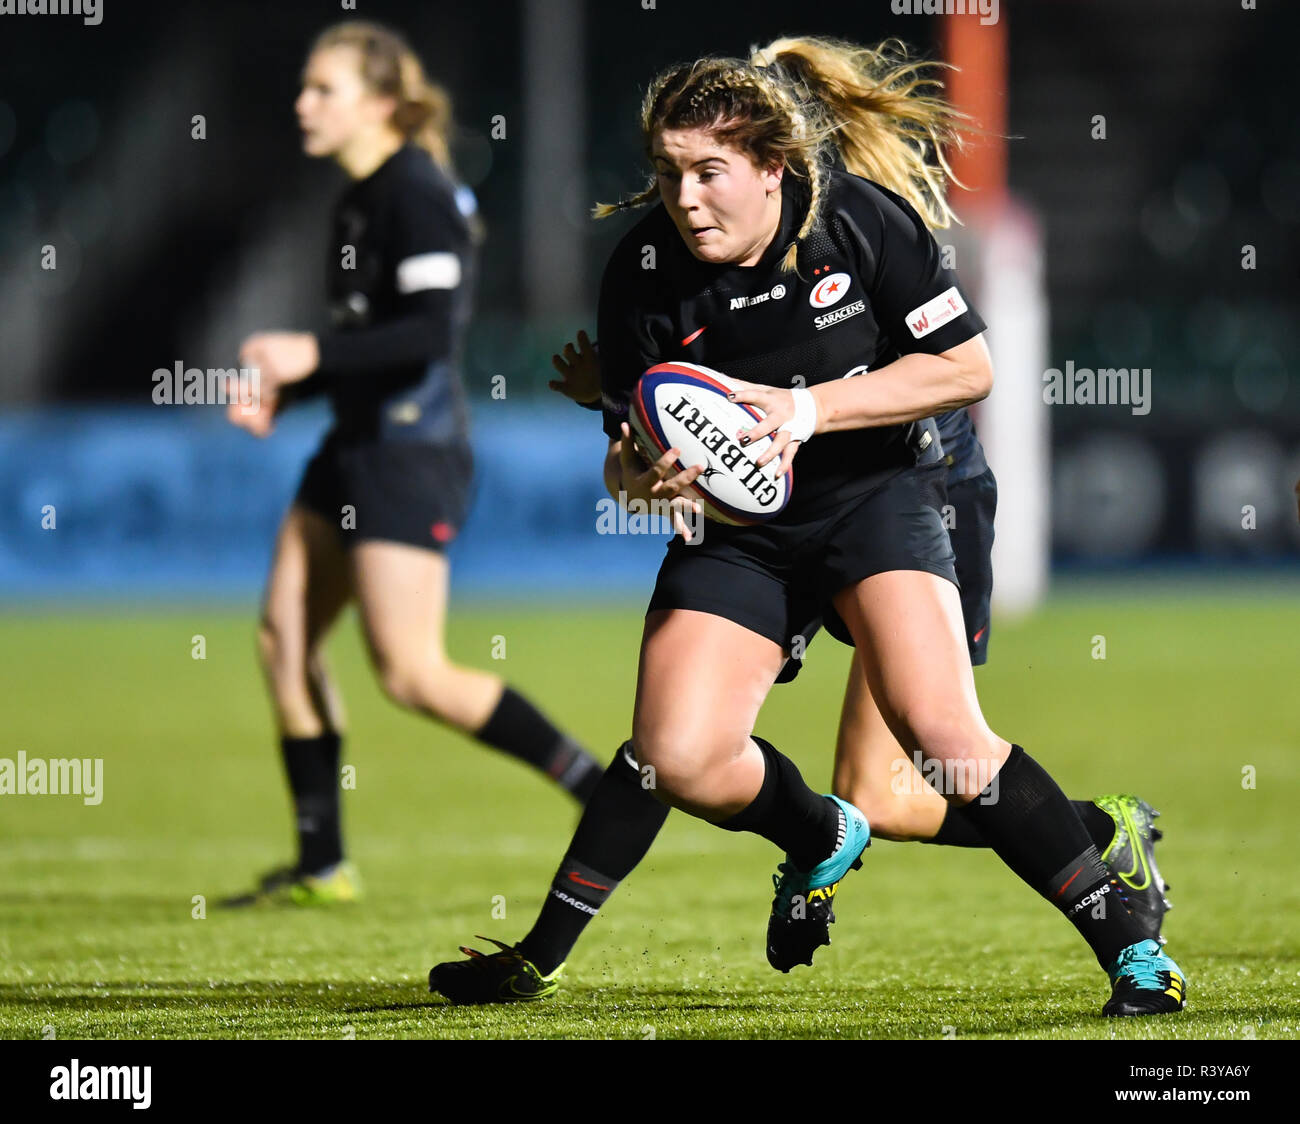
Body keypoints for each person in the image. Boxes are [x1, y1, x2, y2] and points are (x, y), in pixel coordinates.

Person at [431, 37, 1186, 1016]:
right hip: (745, 528)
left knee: (941, 746)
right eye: (667, 174)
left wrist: (808, 409)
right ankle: (809, 838)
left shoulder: (860, 224)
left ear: (771, 169)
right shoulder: (644, 271)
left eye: (708, 172)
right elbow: (625, 459)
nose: (684, 197)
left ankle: (1131, 947)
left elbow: (966, 370)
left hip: (879, 493)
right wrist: (644, 475)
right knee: (676, 750)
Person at [224, 21, 602, 907]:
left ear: (381, 103)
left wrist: (306, 356)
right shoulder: (359, 198)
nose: (302, 104)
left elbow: (430, 338)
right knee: (284, 636)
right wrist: (294, 393)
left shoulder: (417, 193)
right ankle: (322, 865)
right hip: (353, 443)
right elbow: (371, 346)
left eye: (324, 89)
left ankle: (598, 786)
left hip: (407, 453)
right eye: (305, 88)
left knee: (412, 674)